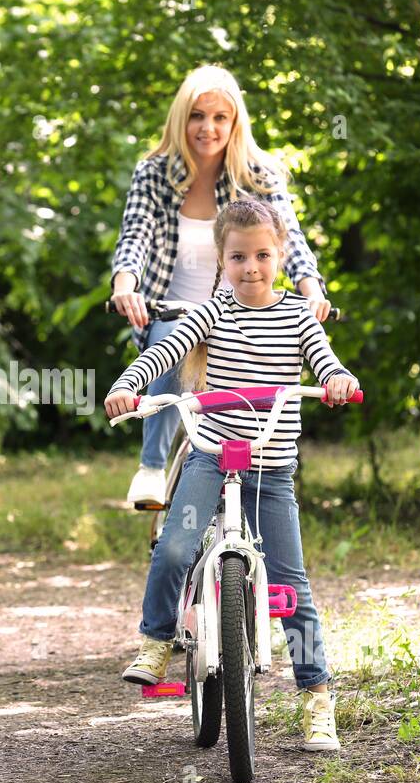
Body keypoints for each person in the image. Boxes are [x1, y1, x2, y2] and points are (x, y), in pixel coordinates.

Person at [105, 198, 358, 752]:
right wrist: (129, 385)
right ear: (222, 259)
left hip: (271, 466)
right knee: (174, 547)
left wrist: (338, 379)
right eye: (238, 256)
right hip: (212, 454)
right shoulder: (211, 311)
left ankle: (317, 698)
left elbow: (325, 361)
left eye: (262, 255)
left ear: (281, 255)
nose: (251, 267)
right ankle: (155, 641)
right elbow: (163, 351)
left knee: (292, 584)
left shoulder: (295, 314)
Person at [109, 64, 332, 509]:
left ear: (234, 123)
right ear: (180, 119)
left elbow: (291, 239)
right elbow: (135, 236)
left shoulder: (258, 176)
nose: (207, 127)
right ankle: (151, 465)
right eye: (196, 115)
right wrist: (124, 285)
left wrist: (312, 290)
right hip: (171, 311)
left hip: (240, 310)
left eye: (219, 117)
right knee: (173, 339)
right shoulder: (153, 173)